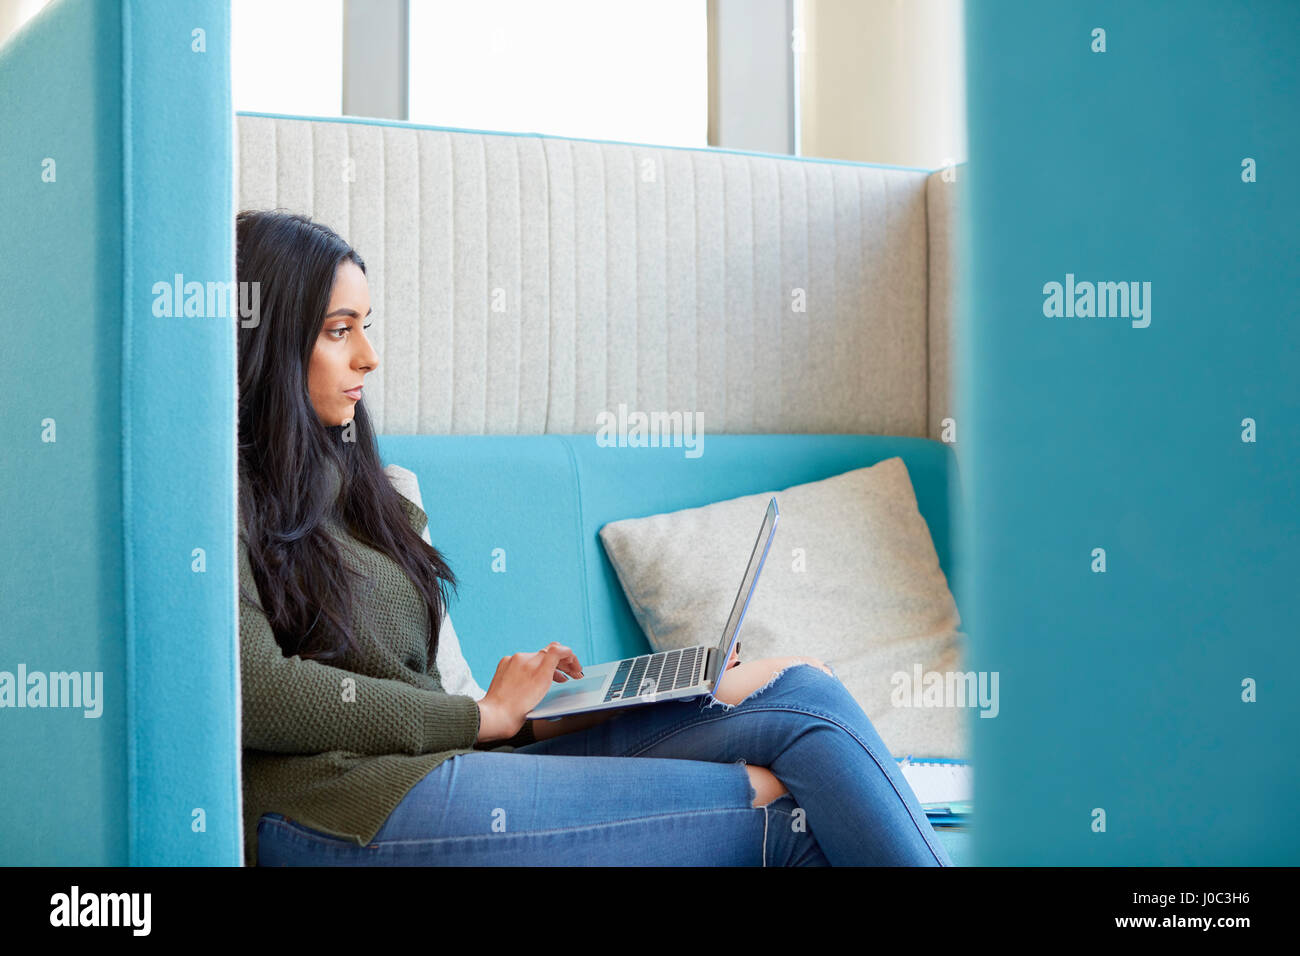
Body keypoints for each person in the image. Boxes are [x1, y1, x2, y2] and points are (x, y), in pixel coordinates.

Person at [236, 209, 953, 867]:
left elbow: (416, 695)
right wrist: (481, 715)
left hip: (446, 760)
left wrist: (540, 710)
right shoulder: (218, 494)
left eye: (368, 325)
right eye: (339, 330)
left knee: (802, 696)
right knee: (785, 813)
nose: (369, 356)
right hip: (337, 805)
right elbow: (260, 691)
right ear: (269, 344)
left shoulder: (363, 488)